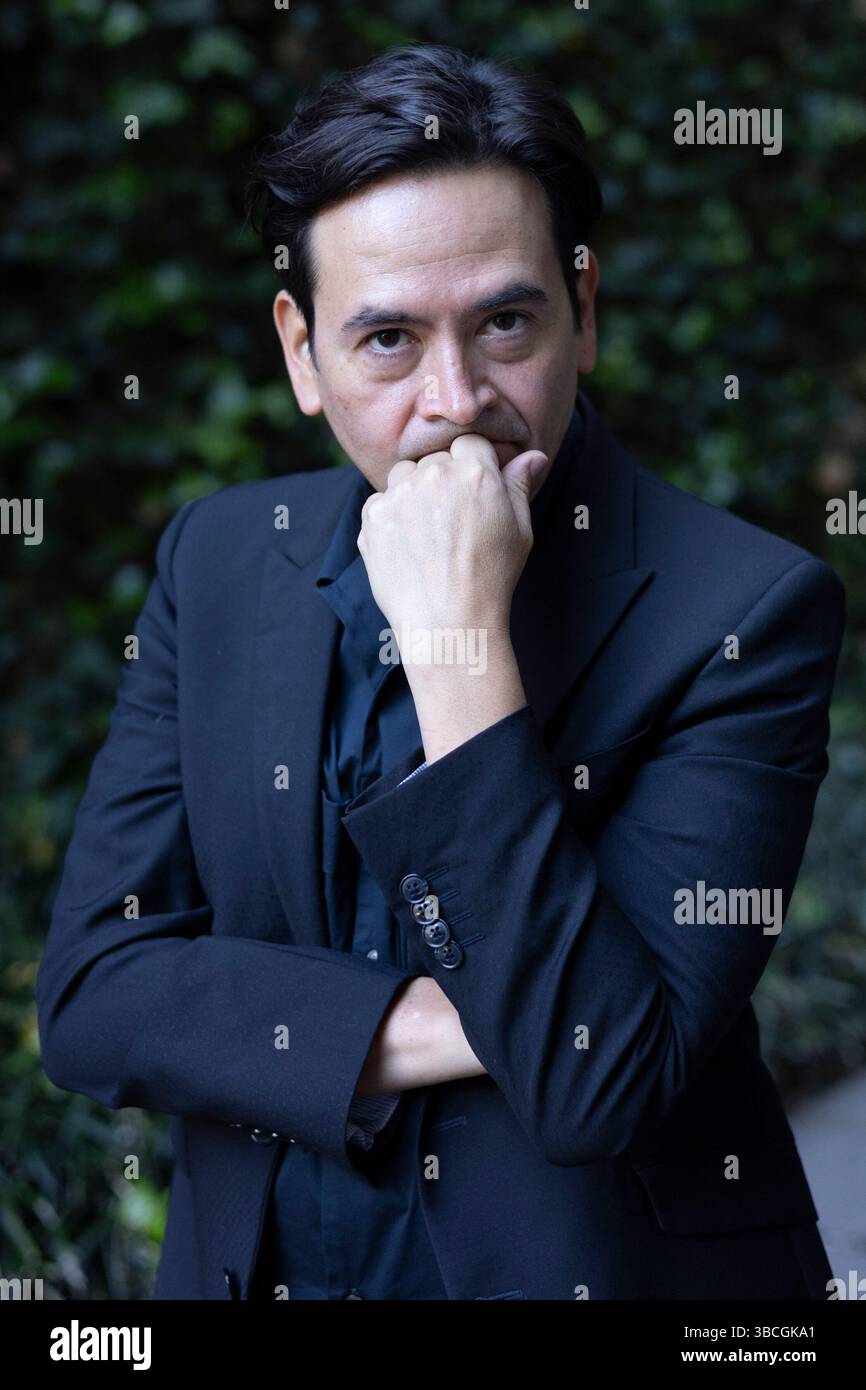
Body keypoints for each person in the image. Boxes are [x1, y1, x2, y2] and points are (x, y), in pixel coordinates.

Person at [36, 43, 845, 1301]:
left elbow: (588, 1078)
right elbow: (93, 993)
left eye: (505, 320)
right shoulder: (222, 558)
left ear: (586, 308)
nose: (456, 400)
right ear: (303, 356)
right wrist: (461, 1023)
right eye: (387, 340)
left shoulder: (744, 609)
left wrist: (458, 640)